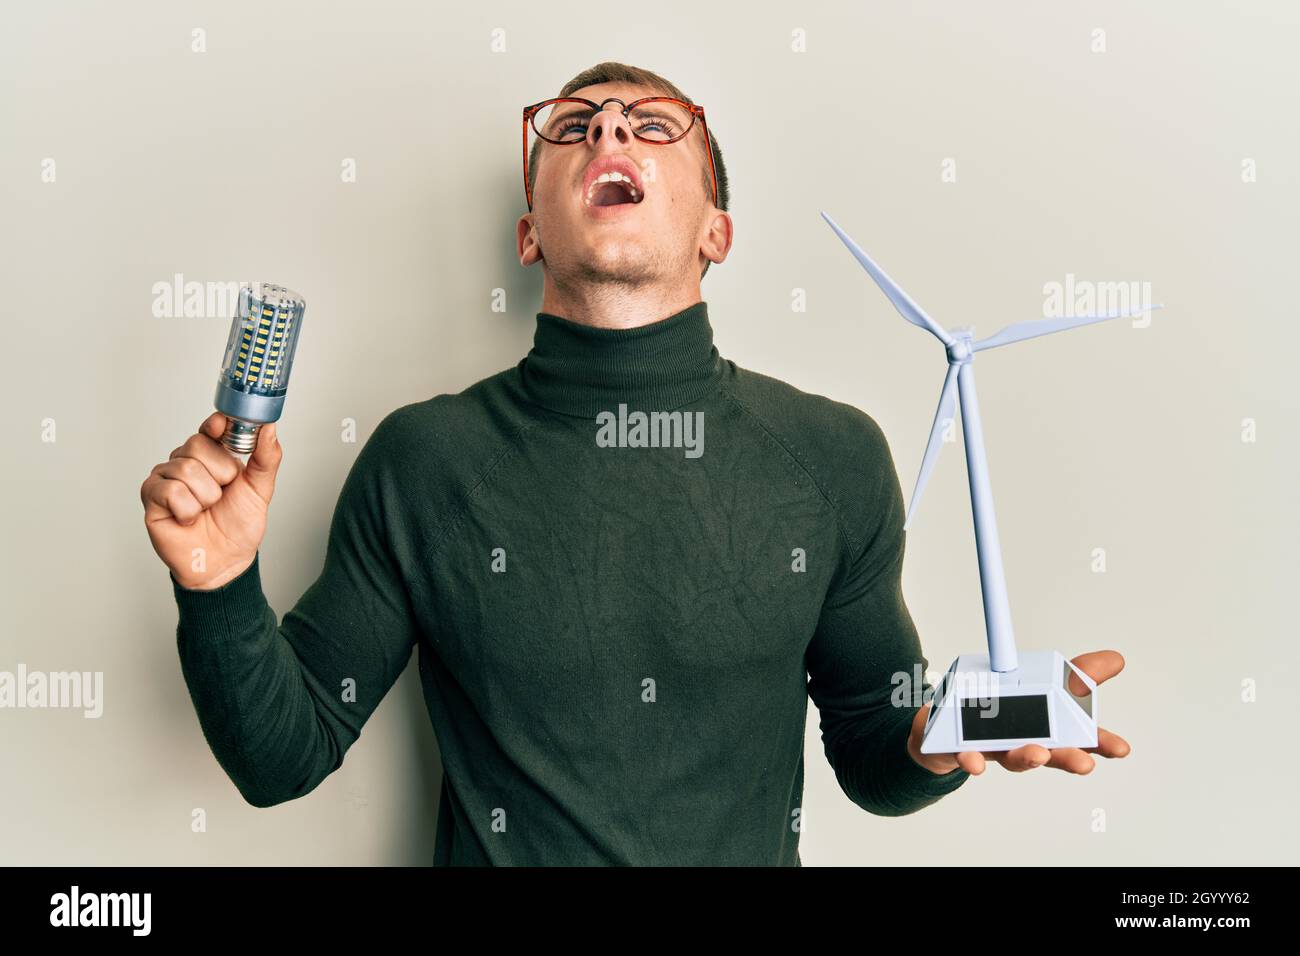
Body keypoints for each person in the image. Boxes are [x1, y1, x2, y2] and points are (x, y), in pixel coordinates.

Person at [140, 61, 1130, 866]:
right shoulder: (424, 458)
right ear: (530, 232)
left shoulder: (831, 454)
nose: (608, 132)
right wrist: (217, 586)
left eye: (654, 125)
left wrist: (941, 740)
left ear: (717, 232)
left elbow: (876, 751)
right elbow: (283, 756)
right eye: (571, 127)